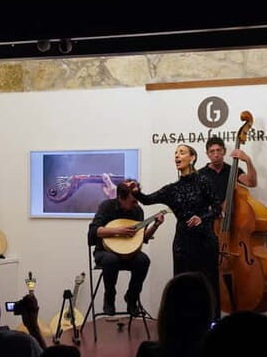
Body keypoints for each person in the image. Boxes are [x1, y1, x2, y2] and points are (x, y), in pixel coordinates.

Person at [127, 145, 221, 311]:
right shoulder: (172, 189)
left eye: (182, 152)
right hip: (183, 242)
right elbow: (147, 199)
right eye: (175, 153)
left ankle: (211, 322)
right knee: (182, 283)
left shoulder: (204, 181)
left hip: (205, 240)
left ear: (192, 158)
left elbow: (217, 208)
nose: (177, 156)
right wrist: (136, 191)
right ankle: (183, 323)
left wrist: (202, 218)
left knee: (208, 282)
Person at [88, 180, 164, 315]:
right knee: (111, 260)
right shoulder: (107, 207)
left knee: (143, 260)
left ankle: (132, 298)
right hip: (105, 252)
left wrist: (156, 225)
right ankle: (109, 298)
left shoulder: (137, 211)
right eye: (133, 201)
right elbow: (94, 231)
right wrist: (118, 231)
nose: (137, 204)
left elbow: (143, 238)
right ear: (120, 198)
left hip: (129, 254)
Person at [200, 135, 258, 203]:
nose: (216, 155)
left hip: (231, 212)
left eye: (218, 150)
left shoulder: (233, 170)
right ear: (207, 154)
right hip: (209, 213)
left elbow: (251, 183)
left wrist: (248, 160)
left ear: (224, 151)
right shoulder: (200, 174)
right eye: (212, 151)